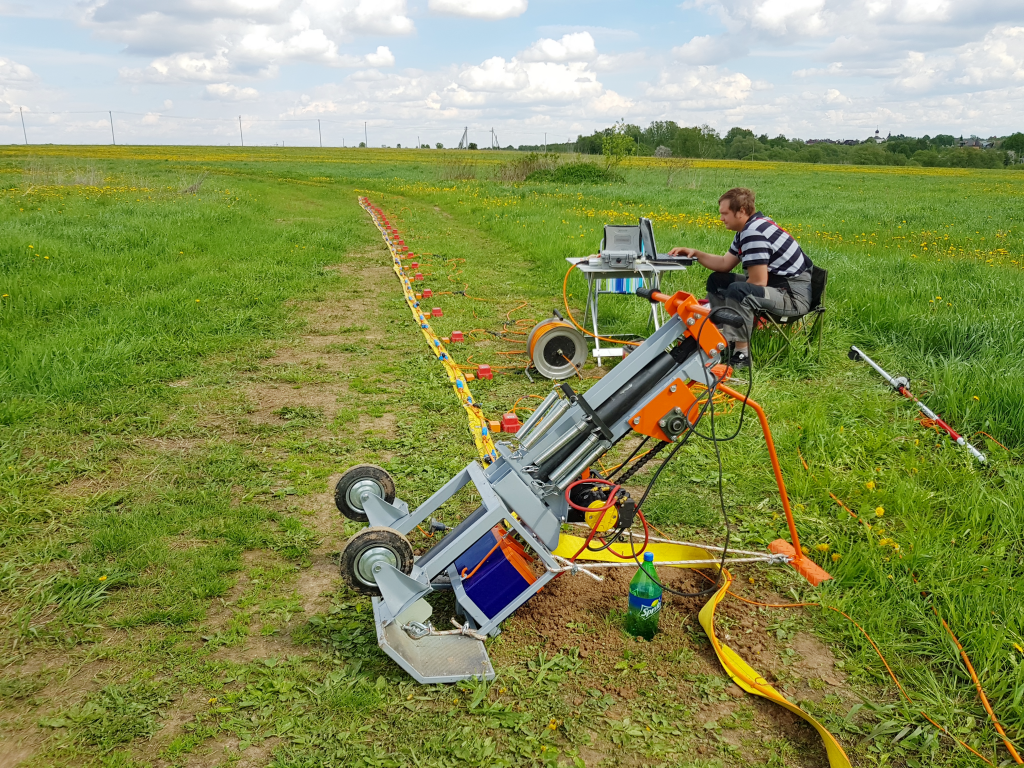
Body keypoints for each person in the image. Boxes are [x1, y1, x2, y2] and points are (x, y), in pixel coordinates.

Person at [668, 187, 813, 368]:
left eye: (725, 213)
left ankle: (741, 354)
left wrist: (730, 300)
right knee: (717, 280)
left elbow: (759, 282)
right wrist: (695, 253)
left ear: (741, 211)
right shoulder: (749, 227)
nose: (721, 218)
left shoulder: (754, 232)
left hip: (792, 297)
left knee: (740, 291)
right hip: (778, 288)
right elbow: (724, 264)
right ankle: (721, 339)